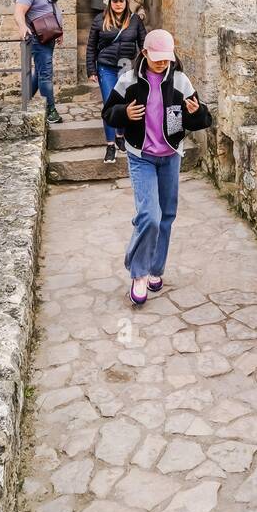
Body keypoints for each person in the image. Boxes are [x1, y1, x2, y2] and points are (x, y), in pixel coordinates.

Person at [102, 29, 212, 306]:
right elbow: (108, 113)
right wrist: (123, 113)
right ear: (145, 53)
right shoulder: (128, 81)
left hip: (171, 155)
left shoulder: (181, 81)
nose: (162, 63)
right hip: (141, 156)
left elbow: (201, 121)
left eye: (167, 58)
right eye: (157, 58)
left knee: (166, 216)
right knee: (149, 215)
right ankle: (138, 273)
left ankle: (155, 269)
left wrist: (195, 112)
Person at [86, 0, 146, 163]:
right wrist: (91, 69)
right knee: (109, 104)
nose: (118, 4)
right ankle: (110, 144)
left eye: (121, 1)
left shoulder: (135, 20)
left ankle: (121, 136)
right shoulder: (99, 20)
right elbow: (91, 47)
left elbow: (144, 45)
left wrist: (145, 67)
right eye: (115, 1)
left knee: (126, 102)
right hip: (106, 67)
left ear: (126, 2)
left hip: (126, 67)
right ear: (109, 2)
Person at [13, 0, 64, 124]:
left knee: (39, 71)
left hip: (49, 37)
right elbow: (19, 12)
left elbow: (52, 10)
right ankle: (50, 111)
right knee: (45, 74)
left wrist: (59, 32)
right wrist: (22, 27)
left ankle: (25, 101)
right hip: (38, 39)